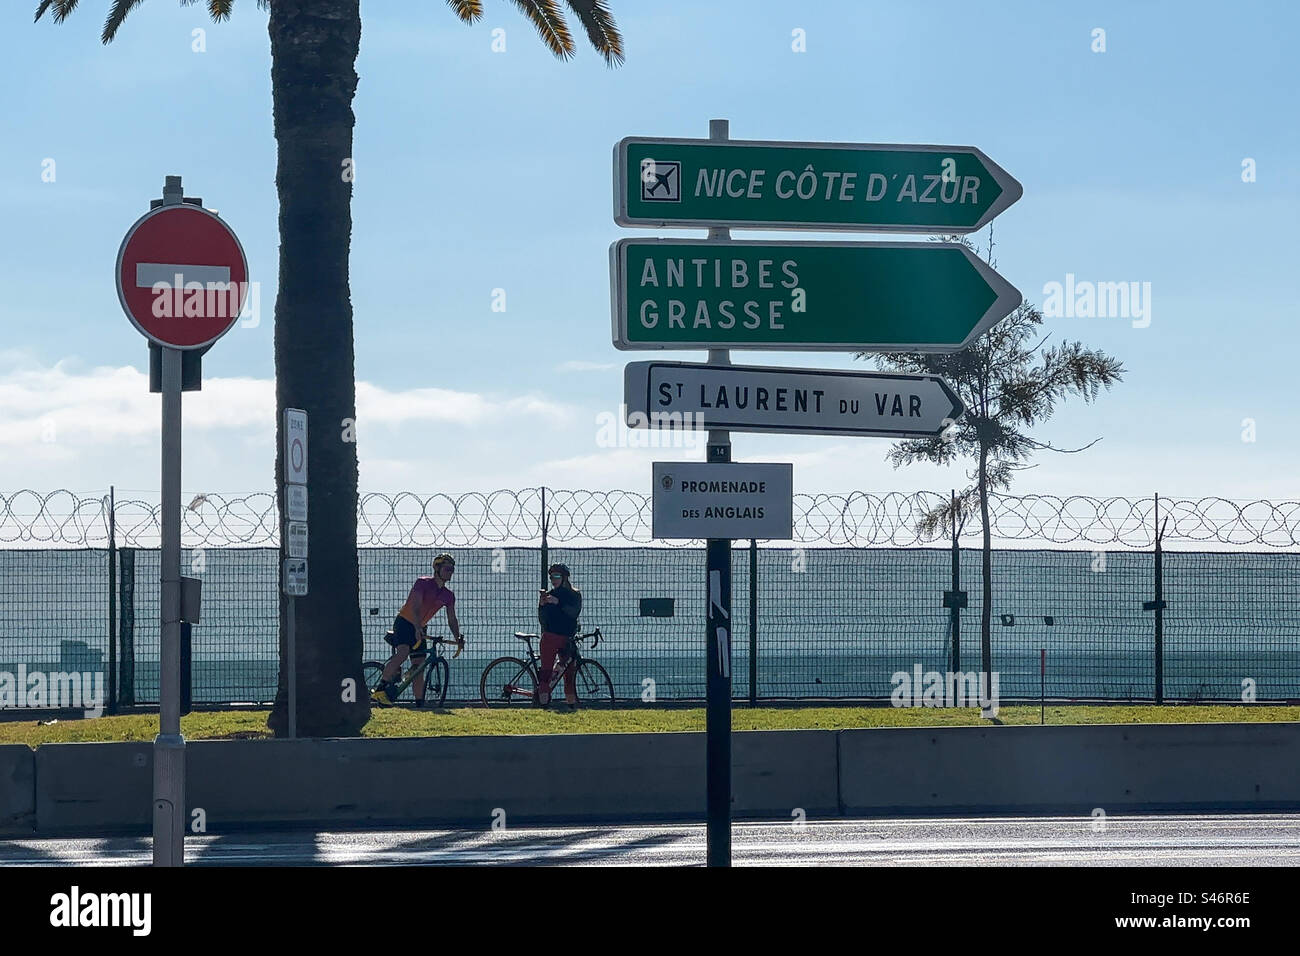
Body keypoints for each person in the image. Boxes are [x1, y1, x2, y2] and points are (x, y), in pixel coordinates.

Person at [372, 552, 464, 707]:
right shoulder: (423, 583)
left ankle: (419, 704)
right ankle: (380, 689)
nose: (450, 573)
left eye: (452, 570)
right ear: (437, 569)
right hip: (405, 622)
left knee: (419, 666)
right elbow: (414, 607)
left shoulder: (448, 595)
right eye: (447, 569)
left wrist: (458, 638)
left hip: (420, 627)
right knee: (403, 653)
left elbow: (452, 619)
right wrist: (416, 627)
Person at [537, 562, 582, 707]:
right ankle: (543, 702)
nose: (553, 579)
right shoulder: (550, 595)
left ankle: (571, 703)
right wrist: (542, 605)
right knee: (546, 670)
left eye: (556, 576)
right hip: (550, 637)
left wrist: (558, 603)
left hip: (567, 638)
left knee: (569, 671)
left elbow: (573, 612)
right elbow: (543, 620)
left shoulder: (574, 594)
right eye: (551, 577)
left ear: (564, 577)